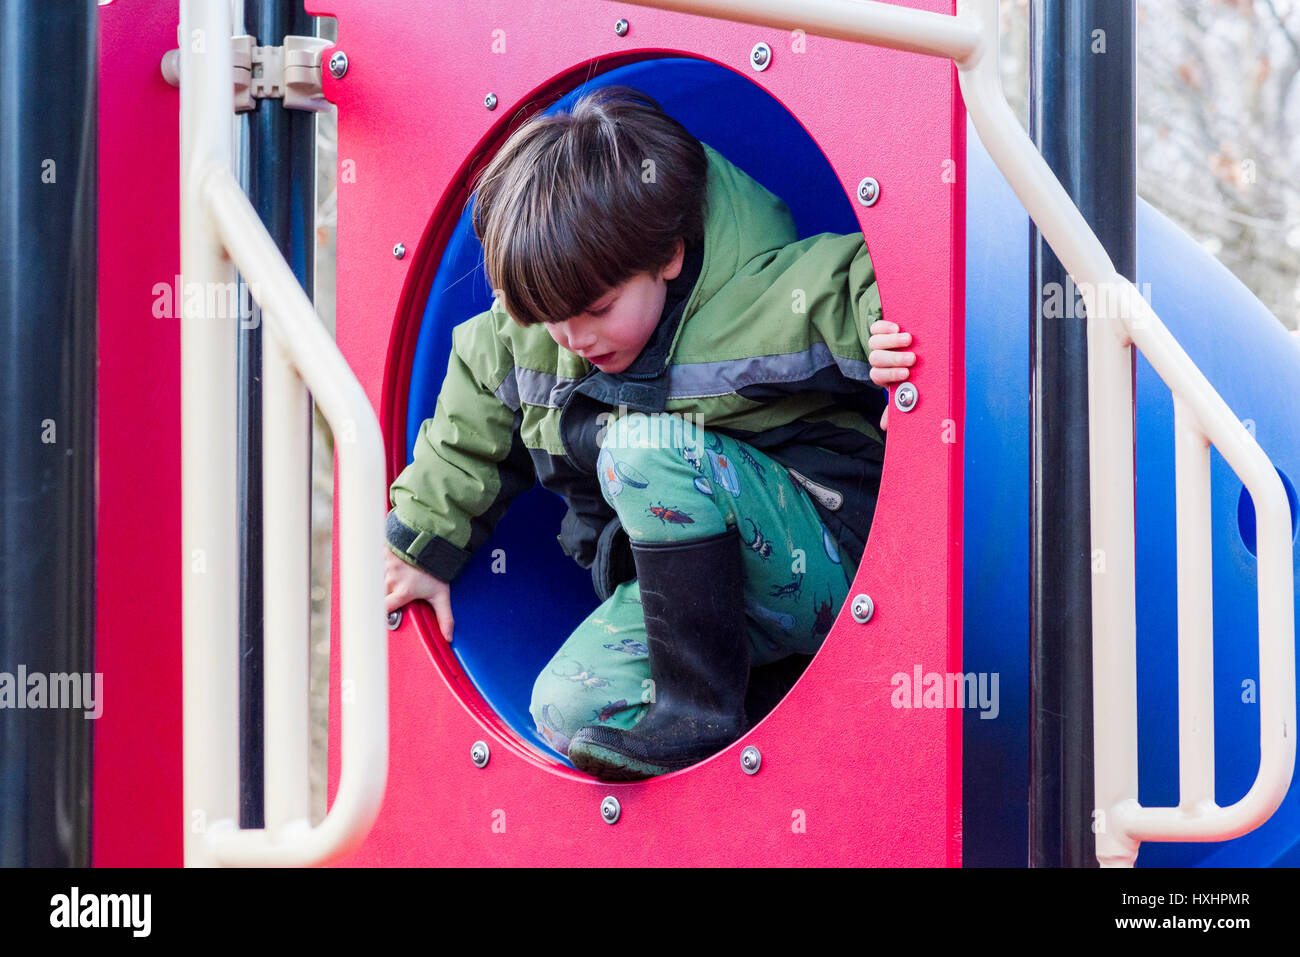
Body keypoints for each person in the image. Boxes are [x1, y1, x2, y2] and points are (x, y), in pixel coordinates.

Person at [383, 85, 916, 781]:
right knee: (567, 707)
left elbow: (870, 277)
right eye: (550, 319)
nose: (574, 338)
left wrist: (893, 343)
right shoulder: (550, 330)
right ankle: (748, 700)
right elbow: (475, 393)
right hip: (704, 613)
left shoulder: (759, 294)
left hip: (826, 564)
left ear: (667, 254)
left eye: (597, 309)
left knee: (638, 450)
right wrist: (421, 543)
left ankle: (698, 709)